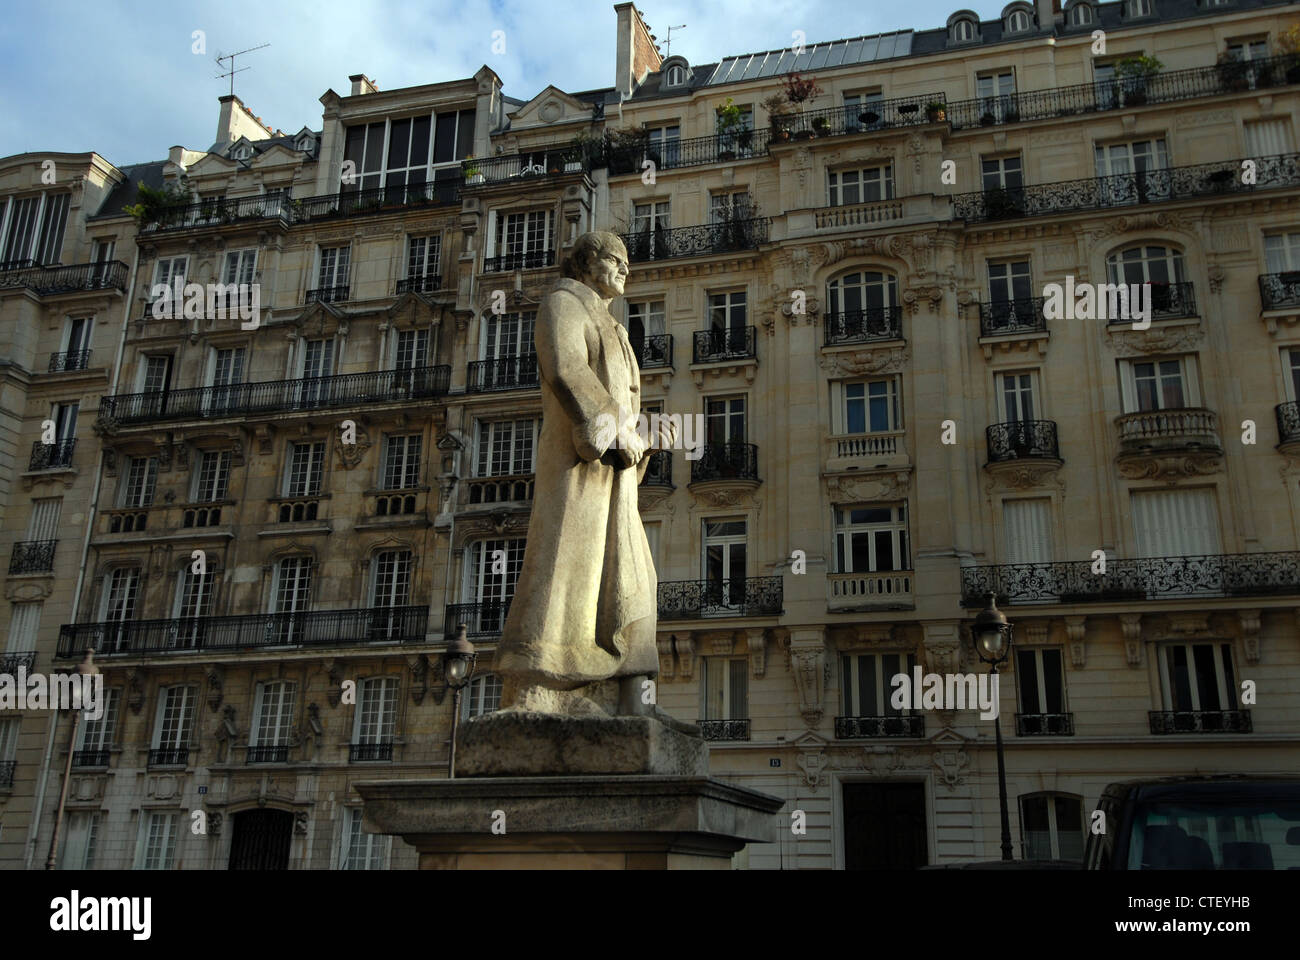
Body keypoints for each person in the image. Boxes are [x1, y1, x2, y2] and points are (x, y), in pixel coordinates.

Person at [495, 231, 675, 716]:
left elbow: (619, 400)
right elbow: (567, 369)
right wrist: (619, 434)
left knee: (635, 578)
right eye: (617, 261)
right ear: (587, 260)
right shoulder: (563, 301)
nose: (625, 271)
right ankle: (539, 687)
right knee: (565, 564)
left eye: (628, 265)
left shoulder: (611, 323)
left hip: (613, 477)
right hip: (578, 468)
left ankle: (630, 698)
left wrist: (644, 433)